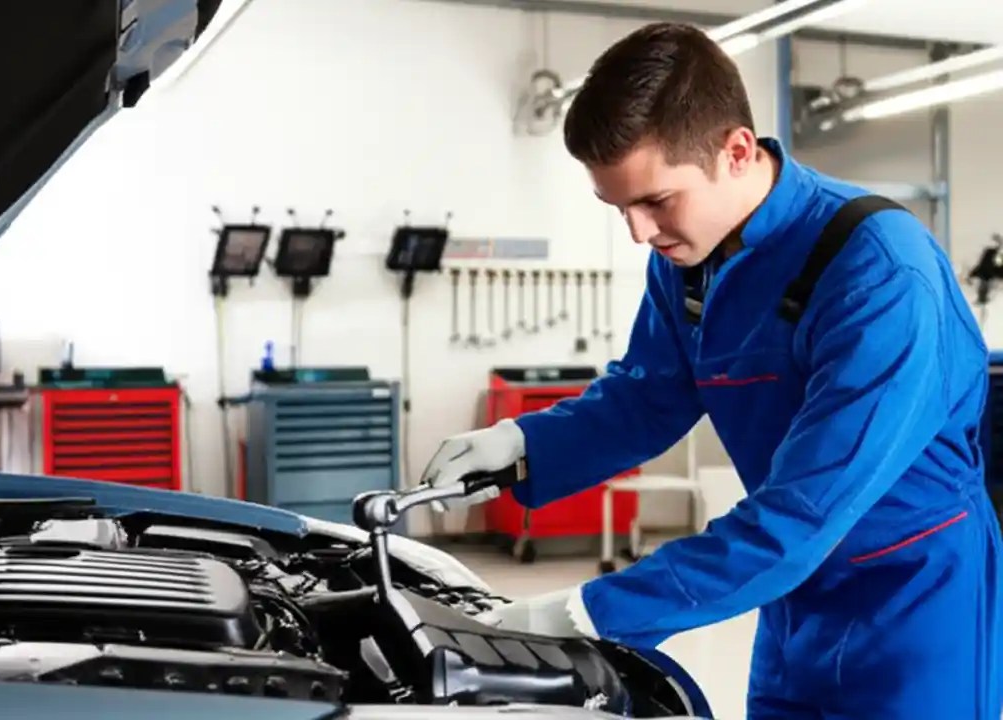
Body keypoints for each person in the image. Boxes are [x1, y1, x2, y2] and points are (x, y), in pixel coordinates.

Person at [420, 22, 1003, 720]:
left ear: (736, 151)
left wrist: (590, 612)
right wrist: (521, 447)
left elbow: (803, 512)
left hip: (914, 611)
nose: (639, 232)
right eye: (618, 208)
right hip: (794, 601)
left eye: (656, 201)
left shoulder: (880, 272)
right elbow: (646, 401)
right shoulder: (690, 263)